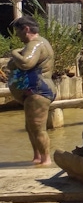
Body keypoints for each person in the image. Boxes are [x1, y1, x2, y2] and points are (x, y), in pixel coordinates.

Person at [7, 16, 56, 166]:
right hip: (33, 91)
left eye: (18, 32)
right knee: (30, 127)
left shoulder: (36, 44)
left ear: (26, 29)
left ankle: (46, 160)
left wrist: (14, 53)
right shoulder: (34, 44)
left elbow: (26, 63)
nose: (17, 35)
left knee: (38, 127)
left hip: (39, 91)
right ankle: (37, 157)